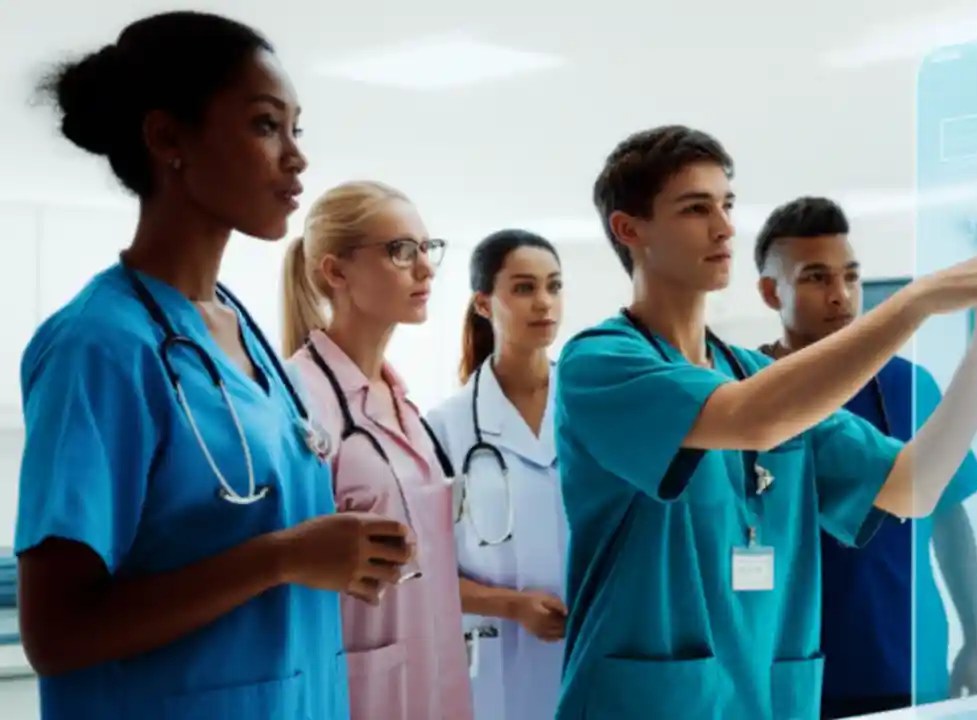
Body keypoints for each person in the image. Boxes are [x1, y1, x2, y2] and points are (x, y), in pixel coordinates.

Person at [552, 124, 977, 719]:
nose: (723, 228)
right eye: (696, 209)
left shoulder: (747, 373)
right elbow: (752, 419)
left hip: (767, 698)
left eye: (726, 205)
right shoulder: (601, 363)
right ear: (629, 229)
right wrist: (915, 300)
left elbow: (913, 487)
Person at [14, 12, 413, 720]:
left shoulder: (240, 330)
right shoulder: (98, 346)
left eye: (297, 129)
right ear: (169, 138)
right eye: (265, 126)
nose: (296, 159)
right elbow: (57, 634)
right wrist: (282, 557)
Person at [754, 197, 977, 718]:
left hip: (908, 661)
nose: (840, 296)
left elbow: (949, 519)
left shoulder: (910, 385)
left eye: (850, 277)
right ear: (772, 291)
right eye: (816, 278)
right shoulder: (749, 396)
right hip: (792, 668)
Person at [280, 180, 473, 720]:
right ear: (335, 271)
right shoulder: (298, 397)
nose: (425, 269)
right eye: (400, 251)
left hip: (436, 682)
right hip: (355, 691)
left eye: (426, 249)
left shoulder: (403, 404)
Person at [425, 228, 569, 720]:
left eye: (554, 286)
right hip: (492, 661)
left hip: (592, 647)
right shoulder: (445, 426)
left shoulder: (593, 410)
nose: (544, 303)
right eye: (524, 288)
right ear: (484, 304)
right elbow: (422, 571)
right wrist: (513, 605)